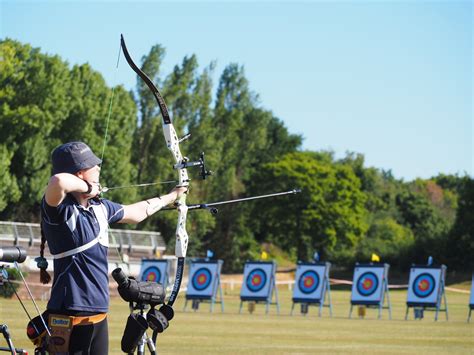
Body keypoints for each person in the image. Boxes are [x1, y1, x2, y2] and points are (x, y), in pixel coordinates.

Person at [36, 141, 186, 354]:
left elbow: (137, 213)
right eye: (92, 166)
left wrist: (172, 196)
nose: (98, 168)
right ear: (79, 173)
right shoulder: (60, 211)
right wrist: (89, 188)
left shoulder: (100, 208)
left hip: (98, 312)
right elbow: (58, 181)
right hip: (70, 312)